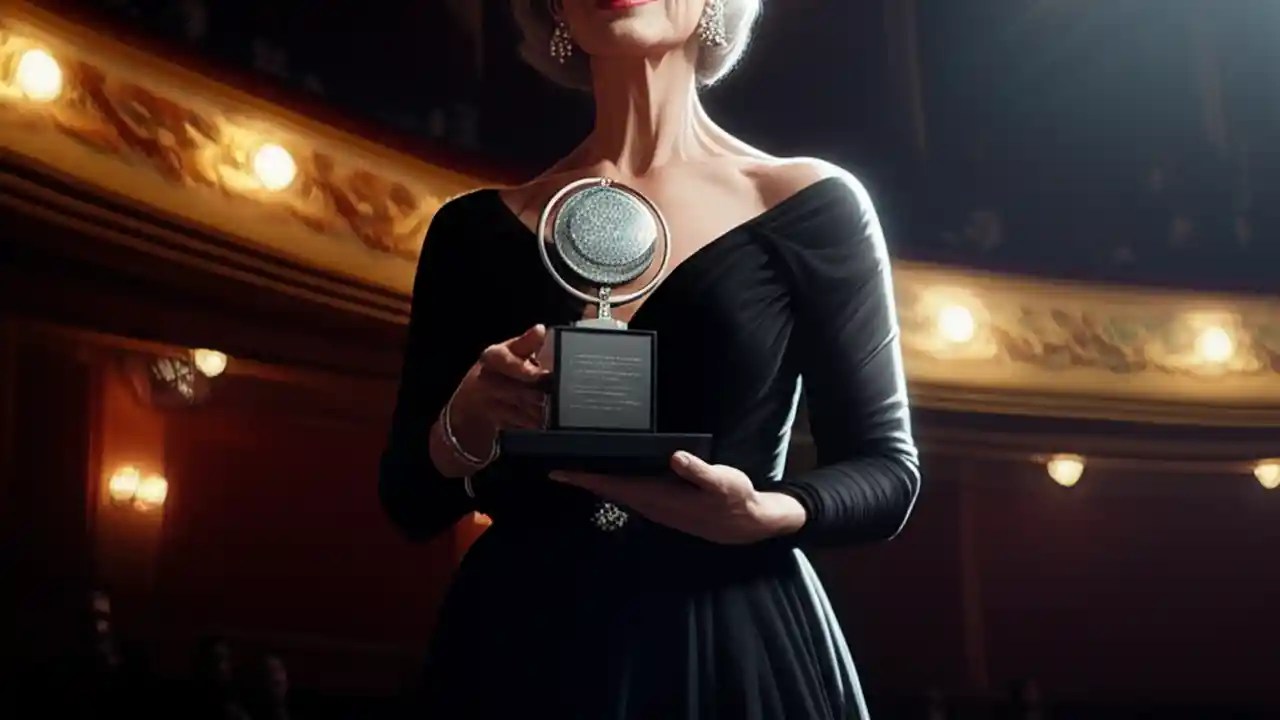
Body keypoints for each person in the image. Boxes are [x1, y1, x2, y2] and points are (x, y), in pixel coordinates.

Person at [378, 1, 921, 717]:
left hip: (732, 638)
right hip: (520, 643)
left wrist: (765, 511)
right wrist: (467, 420)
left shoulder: (810, 204)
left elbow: (887, 470)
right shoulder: (470, 231)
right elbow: (409, 499)